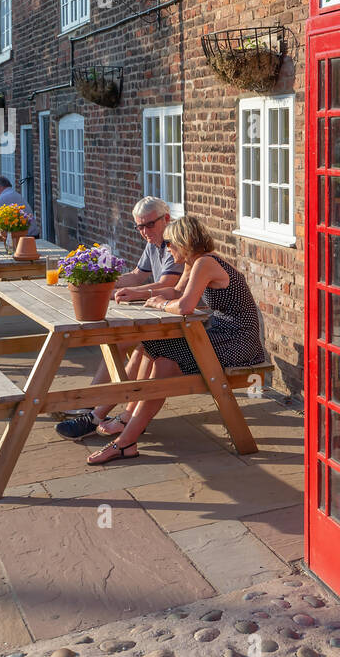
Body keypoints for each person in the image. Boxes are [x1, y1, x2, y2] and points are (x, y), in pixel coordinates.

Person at [83, 217, 266, 465]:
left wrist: (162, 304)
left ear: (183, 242)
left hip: (238, 341)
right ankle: (126, 426)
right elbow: (177, 291)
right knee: (150, 346)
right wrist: (135, 294)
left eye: (169, 243)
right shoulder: (195, 262)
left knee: (165, 364)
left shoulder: (206, 263)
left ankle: (125, 439)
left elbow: (184, 305)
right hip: (219, 334)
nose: (167, 248)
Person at [55, 197, 186, 440]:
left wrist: (124, 293)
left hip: (179, 319)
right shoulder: (153, 242)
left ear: (166, 219)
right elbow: (138, 275)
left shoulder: (175, 243)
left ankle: (99, 407)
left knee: (131, 345)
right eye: (139, 227)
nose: (144, 232)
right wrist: (101, 283)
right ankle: (98, 405)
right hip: (164, 313)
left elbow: (169, 284)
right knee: (122, 344)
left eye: (149, 225)